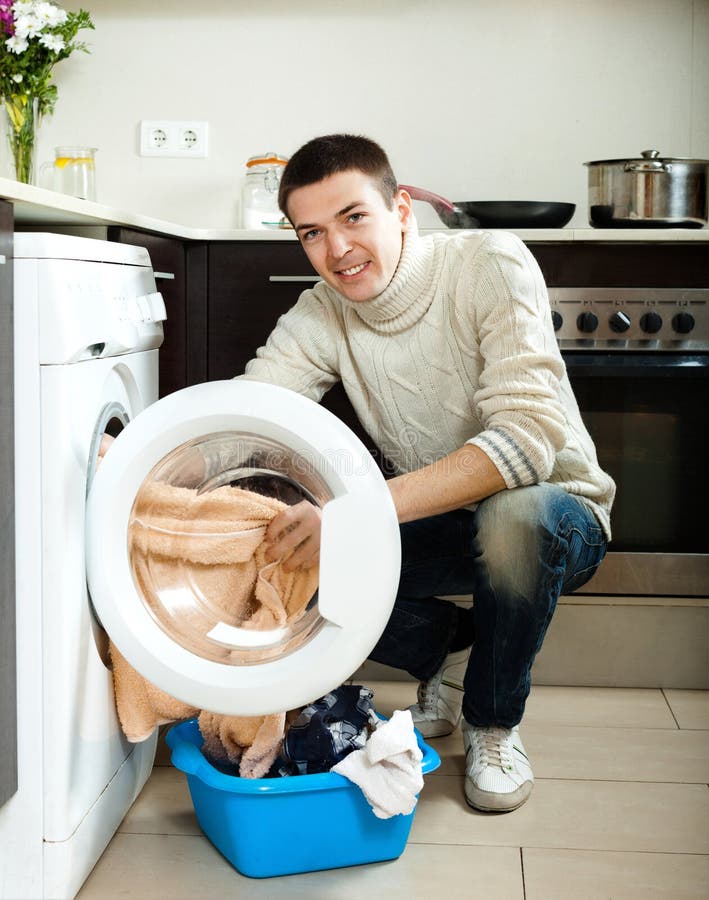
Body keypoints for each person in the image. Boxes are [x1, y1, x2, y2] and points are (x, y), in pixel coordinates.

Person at [240, 133, 615, 813]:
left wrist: (353, 513)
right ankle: (443, 650)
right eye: (312, 233)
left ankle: (492, 723)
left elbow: (527, 444)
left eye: (354, 217)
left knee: (514, 514)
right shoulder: (321, 311)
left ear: (401, 209)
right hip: (441, 523)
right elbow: (248, 417)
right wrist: (141, 450)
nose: (338, 250)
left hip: (556, 517)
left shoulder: (489, 262)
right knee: (285, 550)